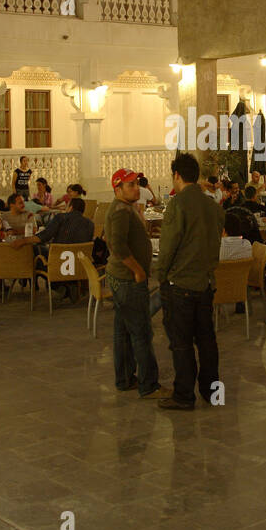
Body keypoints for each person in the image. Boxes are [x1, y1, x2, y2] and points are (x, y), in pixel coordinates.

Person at [154, 152, 224, 410]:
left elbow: (169, 245)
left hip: (181, 284)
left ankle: (184, 394)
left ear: (177, 175)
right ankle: (213, 391)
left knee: (181, 342)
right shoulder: (213, 206)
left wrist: (162, 275)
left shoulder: (178, 204)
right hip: (205, 282)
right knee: (207, 339)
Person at [101, 170, 167, 399]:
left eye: (136, 183)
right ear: (117, 189)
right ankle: (149, 385)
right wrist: (138, 270)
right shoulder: (120, 211)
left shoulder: (127, 208)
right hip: (127, 280)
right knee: (141, 332)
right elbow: (117, 246)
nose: (136, 188)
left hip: (123, 278)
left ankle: (125, 378)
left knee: (122, 332)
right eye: (130, 185)